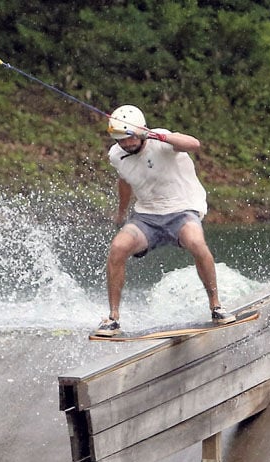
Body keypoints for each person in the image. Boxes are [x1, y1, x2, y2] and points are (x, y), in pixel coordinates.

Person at [93, 104, 235, 337]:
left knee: (196, 243)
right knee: (118, 248)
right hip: (147, 217)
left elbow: (194, 144)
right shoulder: (116, 155)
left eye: (129, 139)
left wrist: (157, 135)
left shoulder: (161, 141)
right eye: (120, 140)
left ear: (141, 132)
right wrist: (121, 212)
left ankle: (216, 306)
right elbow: (125, 181)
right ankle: (113, 319)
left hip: (182, 211)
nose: (126, 145)